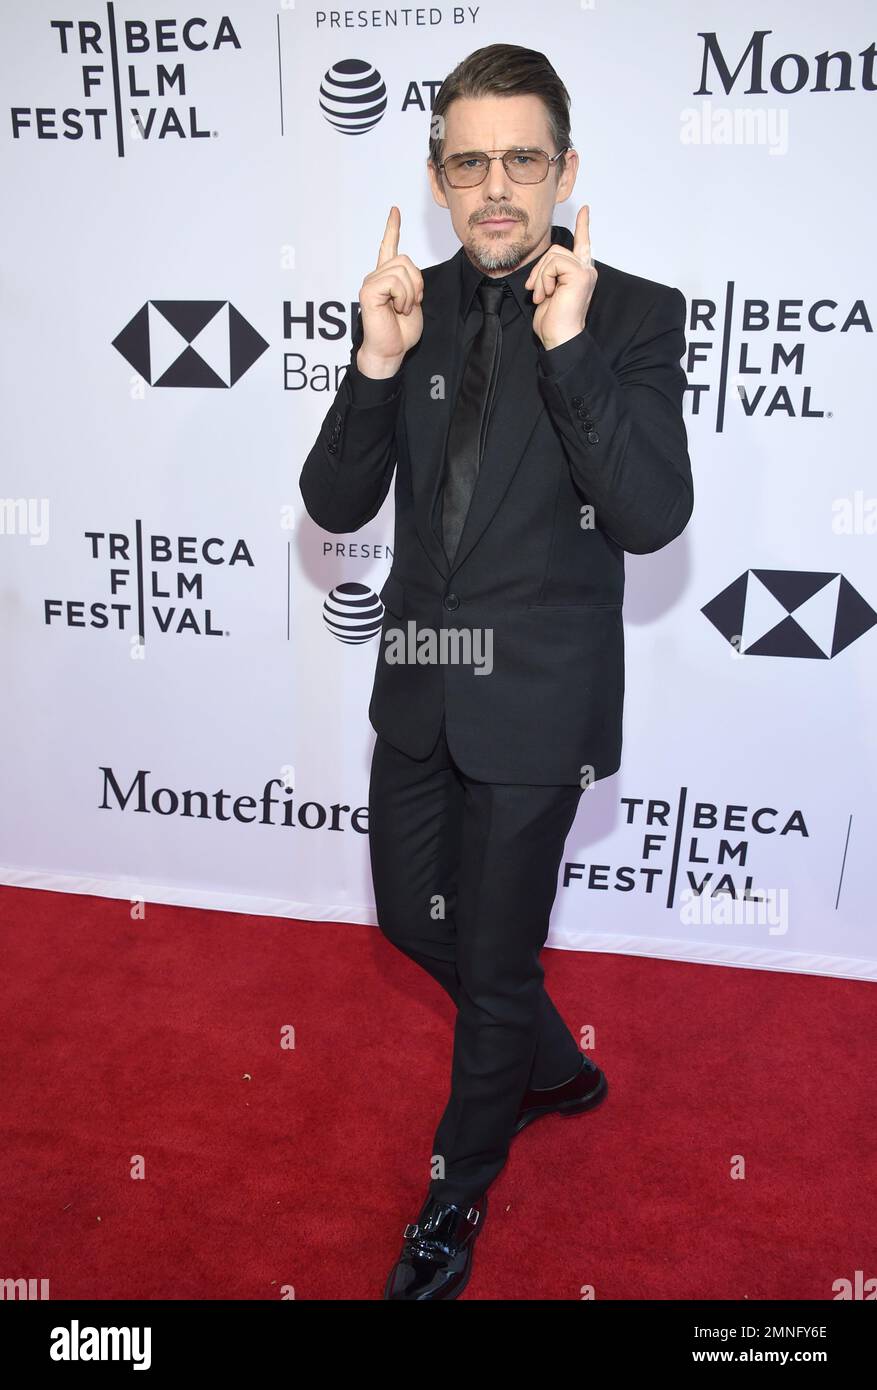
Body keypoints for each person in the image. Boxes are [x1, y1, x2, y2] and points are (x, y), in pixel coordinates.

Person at [300, 42, 693, 1300]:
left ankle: (454, 1196)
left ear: (564, 168)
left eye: (523, 158)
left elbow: (645, 516)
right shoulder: (406, 301)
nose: (497, 187)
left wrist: (570, 346)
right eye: (469, 163)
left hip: (540, 700)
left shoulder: (629, 311)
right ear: (436, 179)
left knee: (494, 967)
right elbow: (331, 499)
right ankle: (557, 1069)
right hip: (420, 670)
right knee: (421, 928)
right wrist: (371, 361)